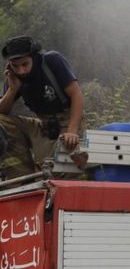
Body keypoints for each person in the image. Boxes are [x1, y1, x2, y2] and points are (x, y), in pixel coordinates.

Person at [0, 36, 84, 180]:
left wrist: (72, 131)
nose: (21, 71)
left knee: (58, 174)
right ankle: (20, 180)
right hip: (42, 124)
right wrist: (13, 89)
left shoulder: (52, 61)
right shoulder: (14, 76)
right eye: (16, 66)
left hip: (66, 122)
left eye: (25, 64)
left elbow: (77, 95)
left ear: (34, 57)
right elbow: (3, 112)